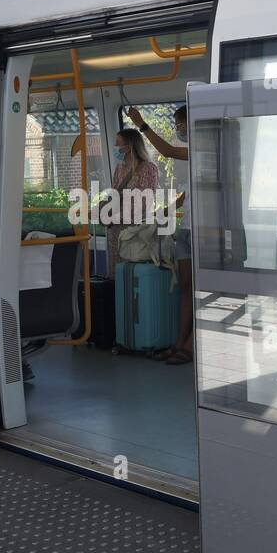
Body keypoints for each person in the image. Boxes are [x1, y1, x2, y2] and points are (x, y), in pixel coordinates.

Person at [126, 105, 193, 366]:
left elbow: (166, 151)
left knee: (198, 290)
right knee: (185, 289)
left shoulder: (204, 145)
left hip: (204, 229)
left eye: (181, 124)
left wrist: (142, 124)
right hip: (186, 227)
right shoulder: (188, 161)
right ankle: (179, 343)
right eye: (177, 125)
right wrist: (165, 210)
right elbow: (188, 194)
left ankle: (189, 346)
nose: (179, 130)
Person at [107, 127, 159, 279]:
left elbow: (146, 201)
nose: (116, 148)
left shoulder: (149, 169)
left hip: (136, 230)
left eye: (119, 144)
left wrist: (119, 216)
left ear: (130, 145)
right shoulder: (119, 168)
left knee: (133, 273)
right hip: (116, 230)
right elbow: (115, 194)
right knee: (117, 273)